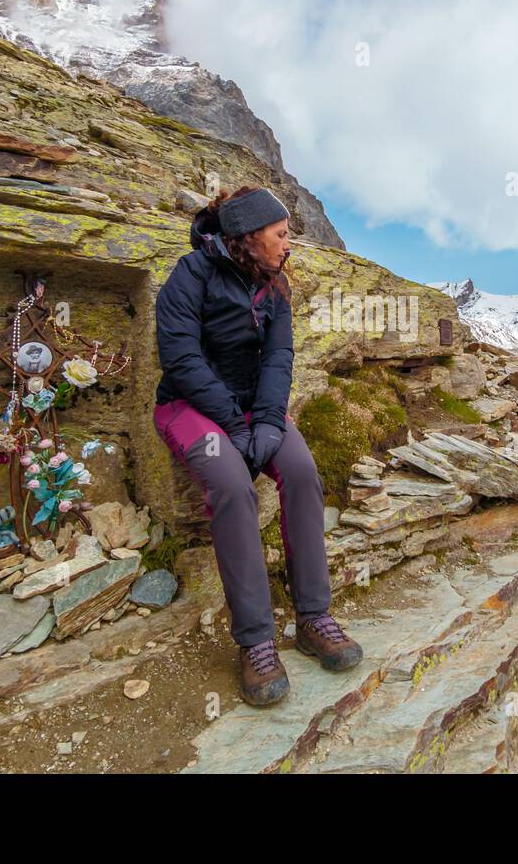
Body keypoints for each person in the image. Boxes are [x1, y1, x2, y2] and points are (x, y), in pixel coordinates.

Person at [152, 185, 363, 706]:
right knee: (231, 484)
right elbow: (181, 360)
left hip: (253, 412)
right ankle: (256, 643)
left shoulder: (275, 286)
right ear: (248, 236)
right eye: (281, 234)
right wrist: (234, 425)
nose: (288, 244)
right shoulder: (189, 276)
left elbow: (278, 359)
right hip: (190, 407)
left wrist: (267, 422)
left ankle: (313, 618)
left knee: (302, 472)